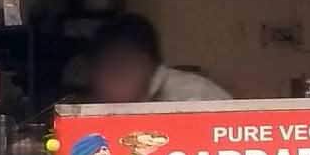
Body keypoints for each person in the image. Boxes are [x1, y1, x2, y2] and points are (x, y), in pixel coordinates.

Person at [85, 13, 232, 104]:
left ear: (147, 65)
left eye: (119, 67)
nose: (108, 80)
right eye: (101, 69)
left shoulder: (195, 98)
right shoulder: (93, 108)